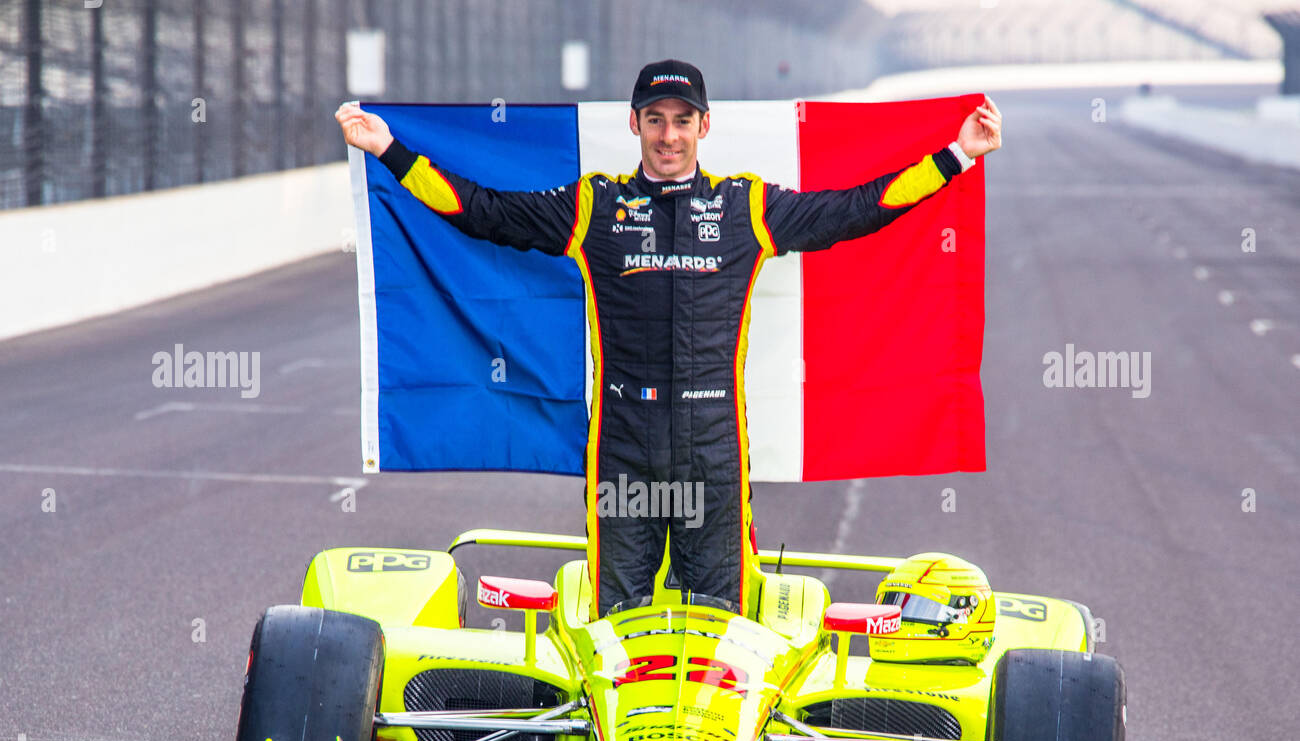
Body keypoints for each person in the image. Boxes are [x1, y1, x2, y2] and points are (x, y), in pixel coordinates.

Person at [337, 60, 1002, 617]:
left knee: (719, 623)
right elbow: (481, 212)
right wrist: (389, 150)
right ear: (634, 124)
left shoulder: (746, 206)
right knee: (618, 620)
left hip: (713, 451)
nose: (668, 135)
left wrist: (956, 156)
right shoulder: (595, 205)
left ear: (704, 126)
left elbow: (857, 209)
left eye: (683, 120)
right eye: (655, 119)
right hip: (624, 447)